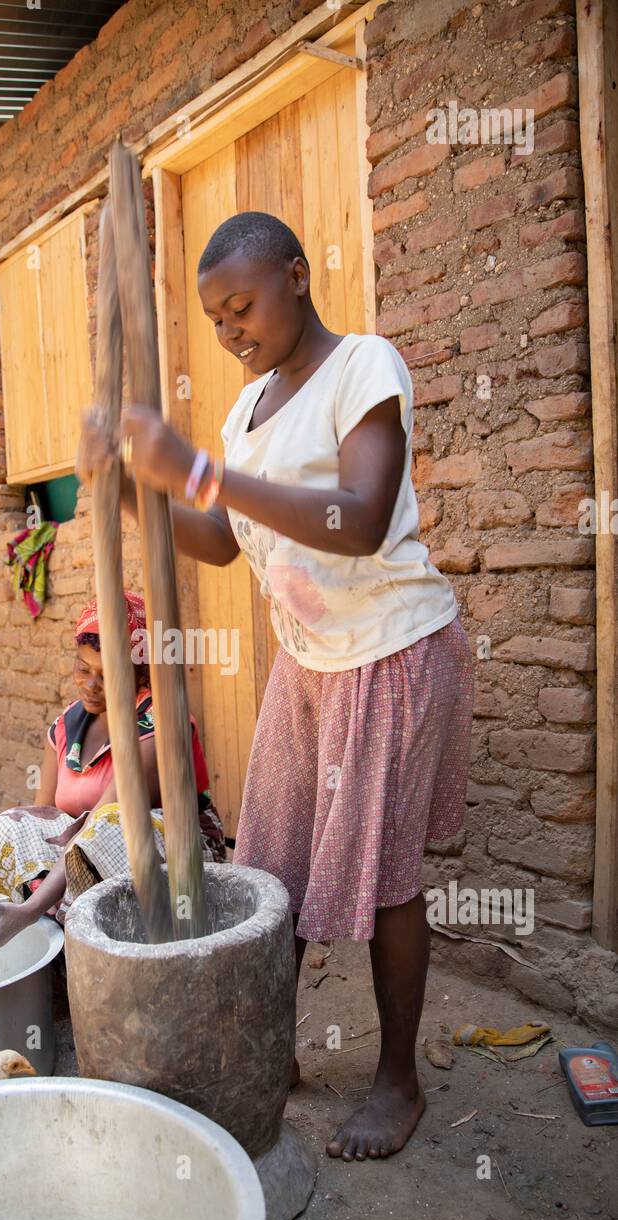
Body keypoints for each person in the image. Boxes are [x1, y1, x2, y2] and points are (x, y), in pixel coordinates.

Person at [77, 211, 474, 1162]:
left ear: (298, 275)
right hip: (307, 665)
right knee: (271, 864)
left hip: (391, 653)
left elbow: (362, 518)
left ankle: (398, 1081)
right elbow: (221, 543)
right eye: (215, 318)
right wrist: (135, 489)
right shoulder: (245, 410)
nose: (230, 331)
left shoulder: (362, 367)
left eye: (242, 305)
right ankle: (262, 1052)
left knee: (384, 883)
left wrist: (202, 473)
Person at [0, 591, 226, 951]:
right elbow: (44, 819)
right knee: (9, 824)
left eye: (108, 675)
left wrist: (28, 908)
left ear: (138, 673)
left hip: (179, 855)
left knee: (111, 826)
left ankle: (71, 938)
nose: (91, 684)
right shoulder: (66, 725)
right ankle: (56, 938)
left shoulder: (161, 723)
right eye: (83, 669)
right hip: (87, 855)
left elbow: (103, 822)